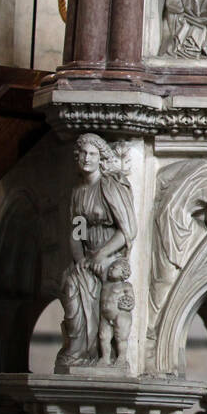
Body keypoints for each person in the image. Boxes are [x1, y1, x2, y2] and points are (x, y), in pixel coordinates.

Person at [58, 134, 137, 367]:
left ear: (101, 158)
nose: (86, 158)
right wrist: (81, 258)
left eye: (92, 154)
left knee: (108, 300)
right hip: (87, 256)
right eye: (82, 153)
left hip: (111, 256)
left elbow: (127, 231)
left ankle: (108, 355)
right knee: (70, 283)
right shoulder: (78, 191)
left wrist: (101, 255)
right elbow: (77, 233)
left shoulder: (109, 186)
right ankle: (78, 352)